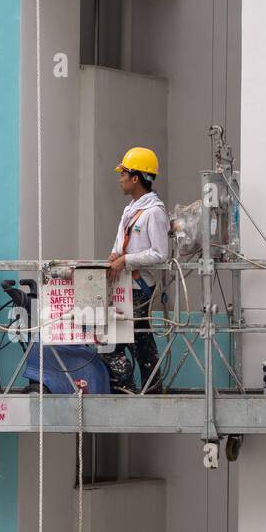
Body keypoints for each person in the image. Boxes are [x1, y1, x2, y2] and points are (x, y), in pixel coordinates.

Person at [107, 146, 169, 393]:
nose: (120, 178)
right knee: (139, 341)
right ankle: (150, 389)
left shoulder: (154, 213)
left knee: (116, 344)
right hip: (126, 287)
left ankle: (130, 388)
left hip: (140, 287)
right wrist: (114, 257)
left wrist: (126, 261)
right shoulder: (130, 211)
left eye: (123, 173)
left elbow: (160, 253)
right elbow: (118, 245)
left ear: (136, 177)